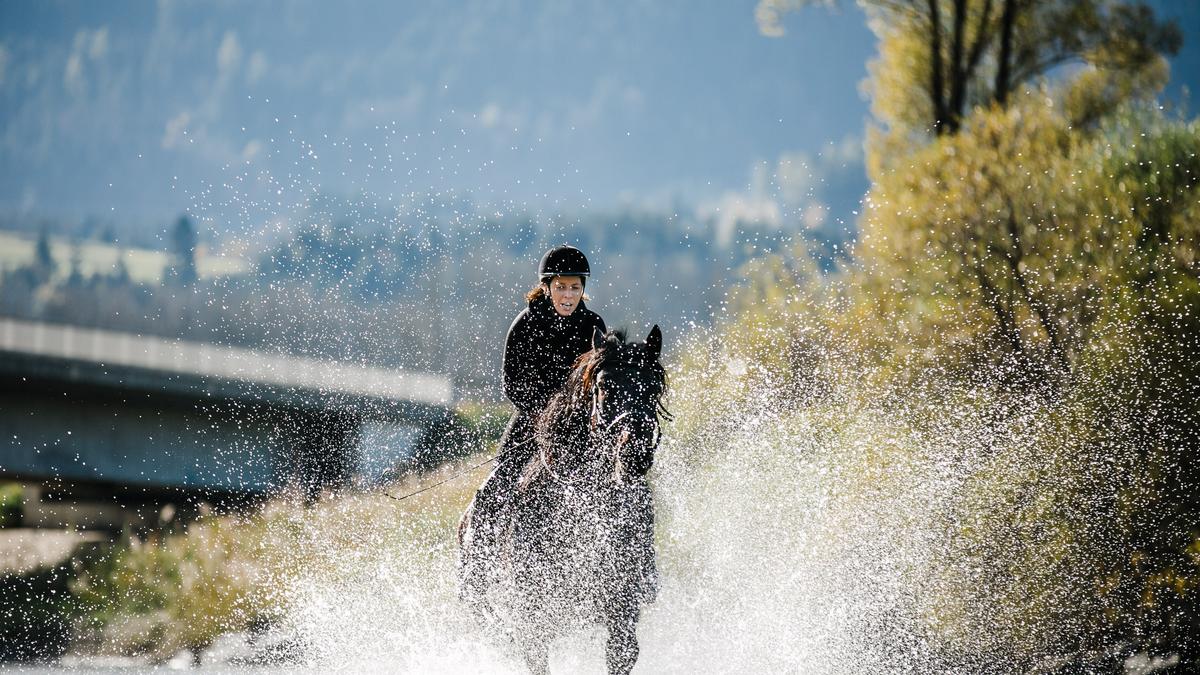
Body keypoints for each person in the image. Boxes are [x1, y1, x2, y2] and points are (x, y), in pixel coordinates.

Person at [462, 245, 607, 589]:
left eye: (575, 288)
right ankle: (477, 571)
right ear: (546, 287)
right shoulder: (525, 324)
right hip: (532, 420)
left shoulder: (594, 325)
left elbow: (602, 380)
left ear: (583, 289)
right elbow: (511, 383)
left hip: (580, 425)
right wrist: (545, 412)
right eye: (561, 287)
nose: (568, 295)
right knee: (494, 488)